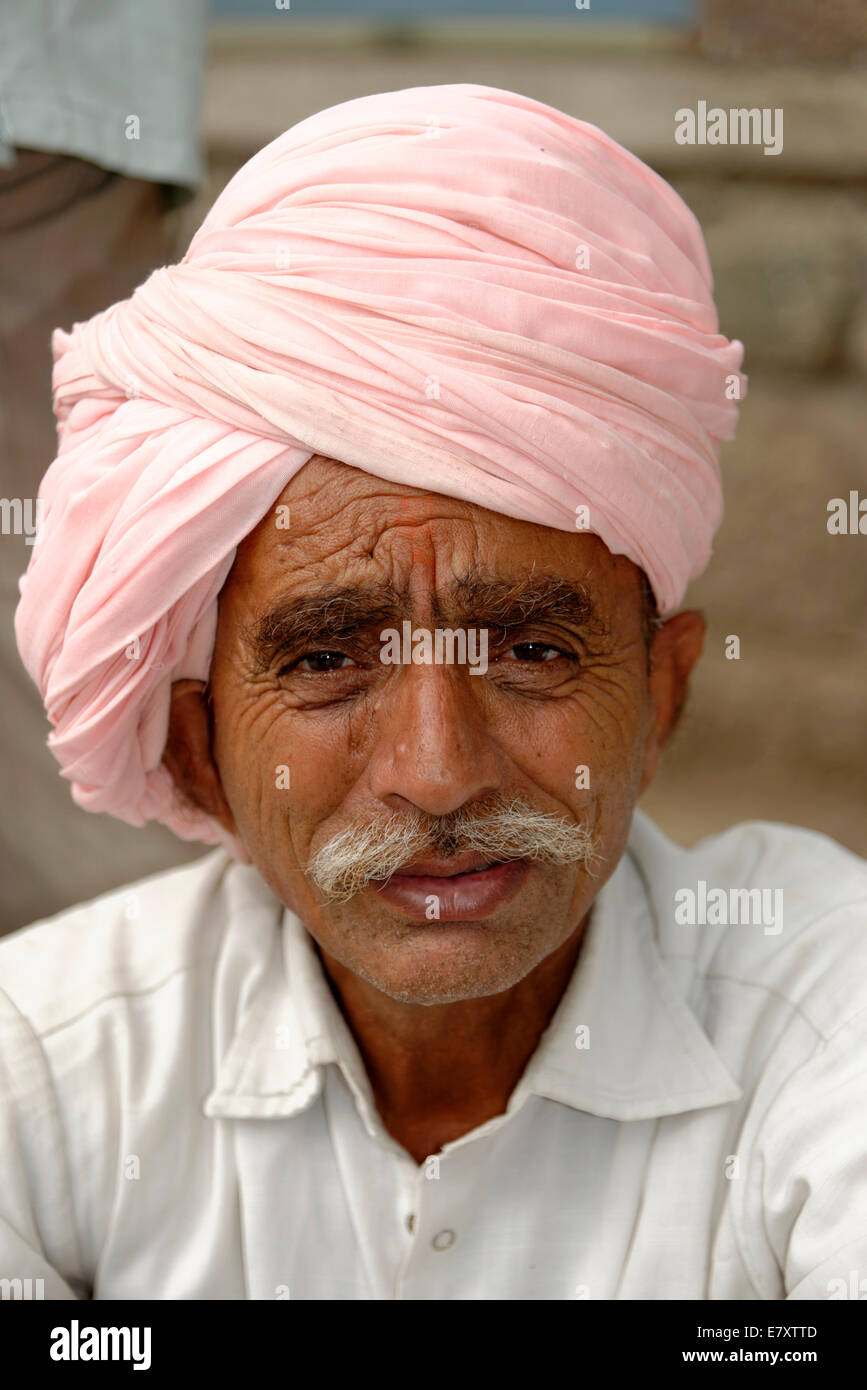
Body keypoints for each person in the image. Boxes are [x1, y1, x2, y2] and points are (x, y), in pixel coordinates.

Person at [2, 84, 865, 1302]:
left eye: (529, 651)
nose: (437, 771)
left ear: (662, 698)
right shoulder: (43, 1065)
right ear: (199, 756)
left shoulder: (826, 1005)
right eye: (325, 661)